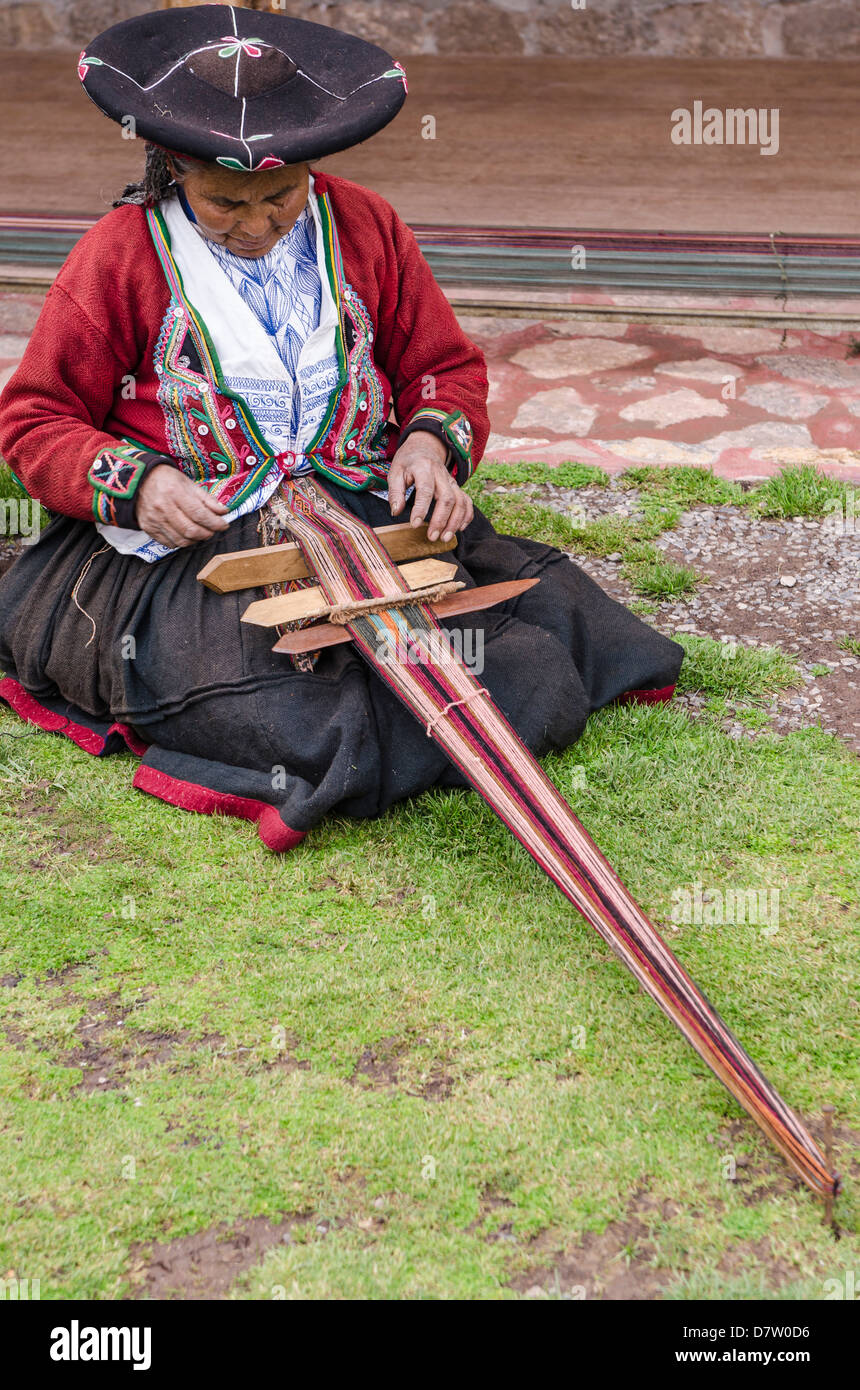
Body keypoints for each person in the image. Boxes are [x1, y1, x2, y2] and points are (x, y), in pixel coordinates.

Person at [0, 5, 682, 850]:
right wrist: (140, 485)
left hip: (362, 513)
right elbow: (36, 420)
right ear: (173, 167)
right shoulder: (118, 255)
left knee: (541, 652)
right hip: (198, 548)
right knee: (290, 711)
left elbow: (444, 369)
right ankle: (356, 736)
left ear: (312, 167)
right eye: (224, 202)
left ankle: (405, 725)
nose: (256, 225)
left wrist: (430, 445)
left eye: (280, 195)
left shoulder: (366, 227)